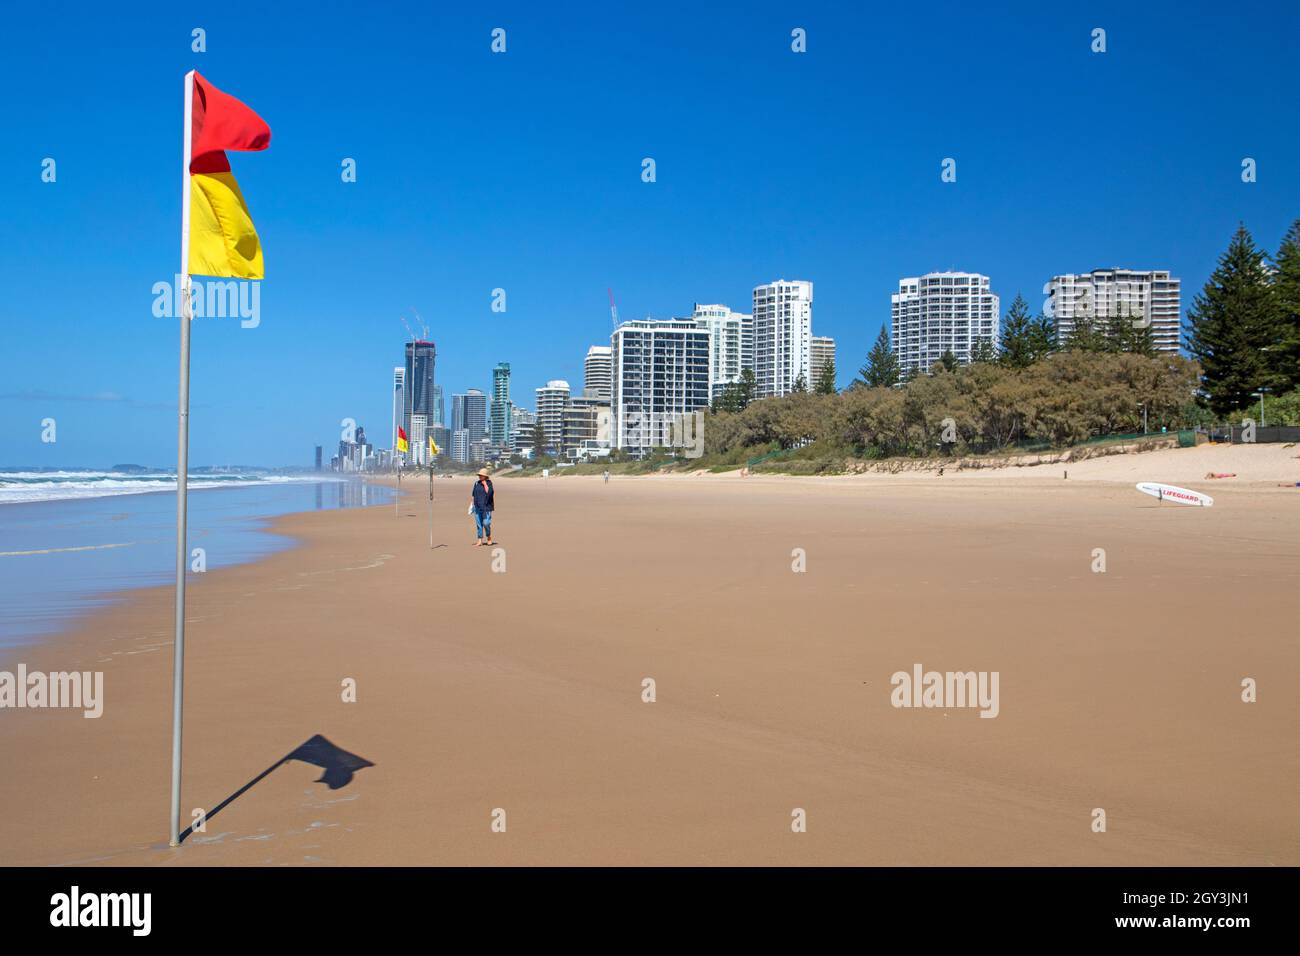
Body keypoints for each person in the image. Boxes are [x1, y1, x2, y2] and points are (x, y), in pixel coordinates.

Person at [469, 467, 495, 546]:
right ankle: (480, 540)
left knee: (486, 523)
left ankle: (489, 537)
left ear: (485, 476)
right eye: (479, 475)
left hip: (486, 507)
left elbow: (490, 493)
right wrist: (472, 504)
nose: (480, 476)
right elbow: (473, 494)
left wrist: (485, 484)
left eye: (481, 475)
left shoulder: (489, 483)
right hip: (477, 506)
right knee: (479, 524)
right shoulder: (476, 483)